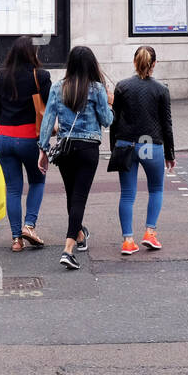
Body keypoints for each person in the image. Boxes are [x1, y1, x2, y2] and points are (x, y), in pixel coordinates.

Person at [37, 46, 113, 270]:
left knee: (73, 195)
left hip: (65, 149)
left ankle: (79, 234)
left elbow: (48, 120)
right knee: (79, 197)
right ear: (91, 64)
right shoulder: (97, 89)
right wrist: (110, 103)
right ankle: (68, 249)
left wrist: (43, 150)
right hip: (88, 148)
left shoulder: (58, 87)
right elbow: (107, 120)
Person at [0, 36, 52, 252]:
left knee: (13, 188)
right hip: (29, 138)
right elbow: (49, 109)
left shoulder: (2, 76)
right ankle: (29, 226)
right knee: (37, 181)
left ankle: (16, 239)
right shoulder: (40, 76)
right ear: (32, 53)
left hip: (4, 138)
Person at [110, 46, 175, 255]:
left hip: (126, 144)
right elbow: (167, 124)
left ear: (134, 62)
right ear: (154, 64)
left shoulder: (122, 87)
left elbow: (114, 121)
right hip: (150, 145)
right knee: (155, 189)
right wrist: (170, 154)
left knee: (127, 194)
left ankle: (128, 241)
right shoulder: (161, 89)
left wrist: (114, 148)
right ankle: (150, 233)